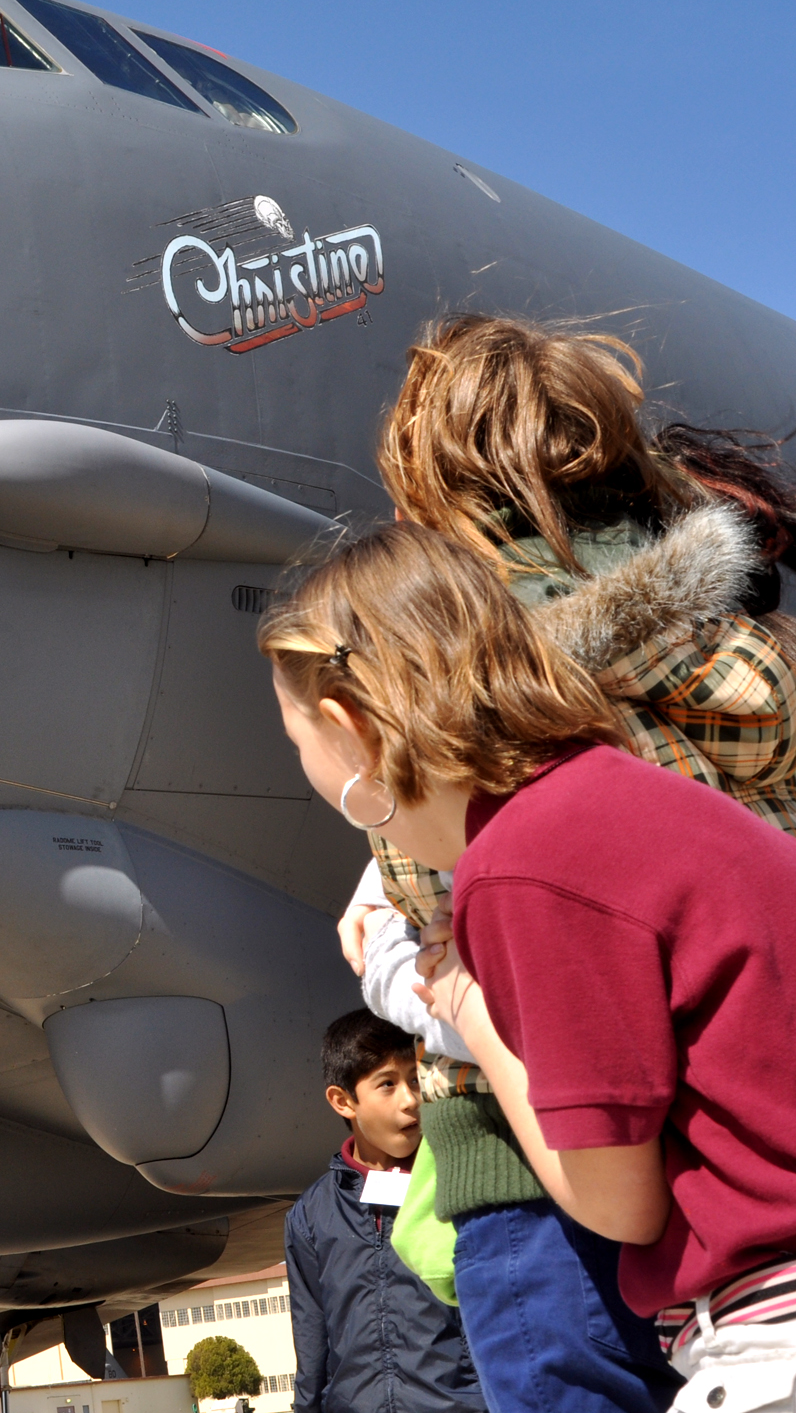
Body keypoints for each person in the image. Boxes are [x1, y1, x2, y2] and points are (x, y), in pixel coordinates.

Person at [261, 524, 796, 1413]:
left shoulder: (523, 865)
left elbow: (620, 1205)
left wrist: (468, 1009)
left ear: (345, 726)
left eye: (297, 744)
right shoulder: (608, 799)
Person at [286, 1010, 484, 1413]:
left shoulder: (459, 1183)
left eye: (415, 1079)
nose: (410, 1100)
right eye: (387, 1084)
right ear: (343, 1101)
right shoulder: (311, 1213)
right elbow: (311, 1339)